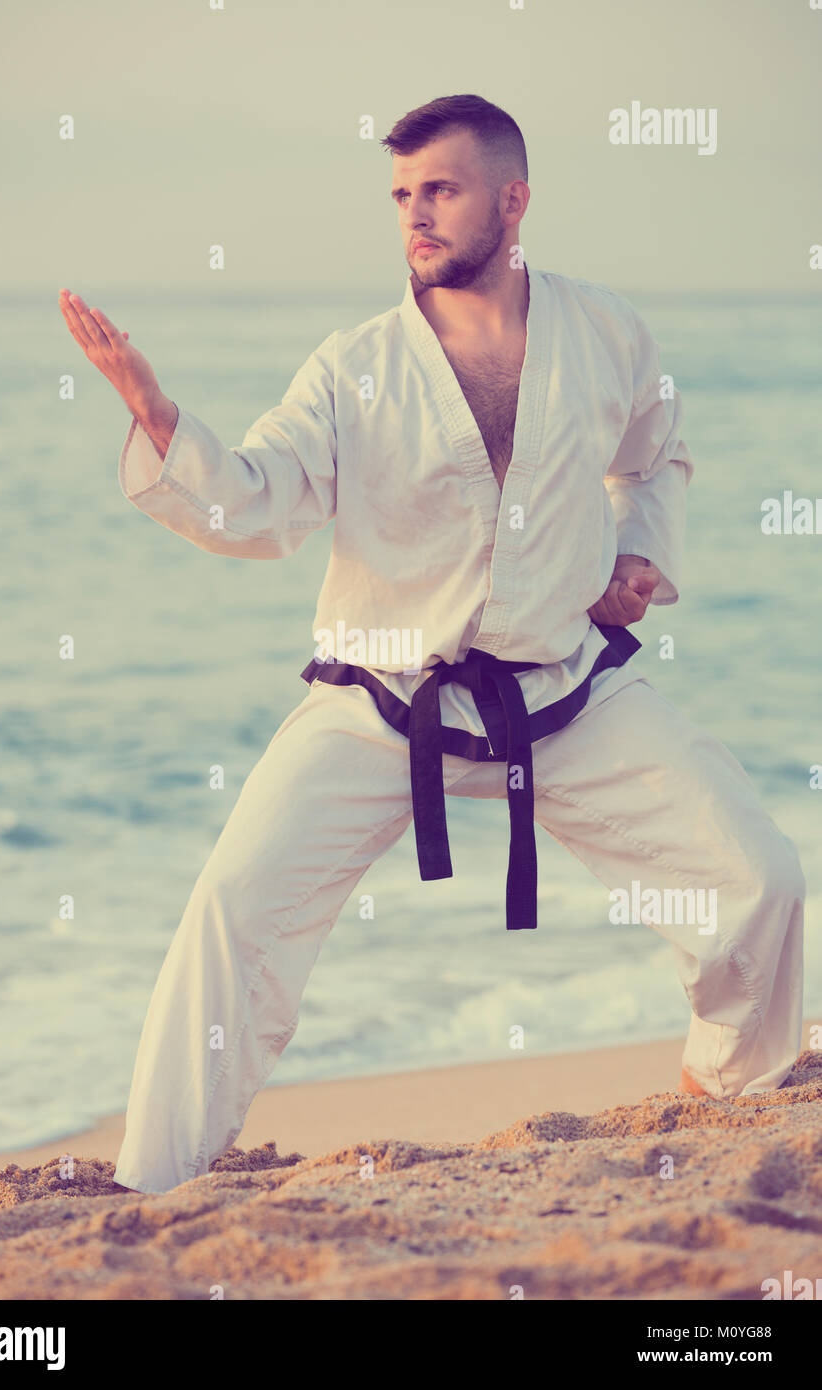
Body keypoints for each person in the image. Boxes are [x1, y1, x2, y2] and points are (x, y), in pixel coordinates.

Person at [59, 94, 805, 1196]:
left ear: (513, 200)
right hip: (378, 702)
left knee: (757, 878)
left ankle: (729, 1092)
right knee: (233, 914)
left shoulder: (605, 333)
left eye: (440, 191)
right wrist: (164, 425)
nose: (415, 215)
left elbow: (652, 452)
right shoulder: (351, 365)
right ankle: (152, 1178)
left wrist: (634, 558)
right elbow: (262, 506)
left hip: (561, 690)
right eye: (402, 196)